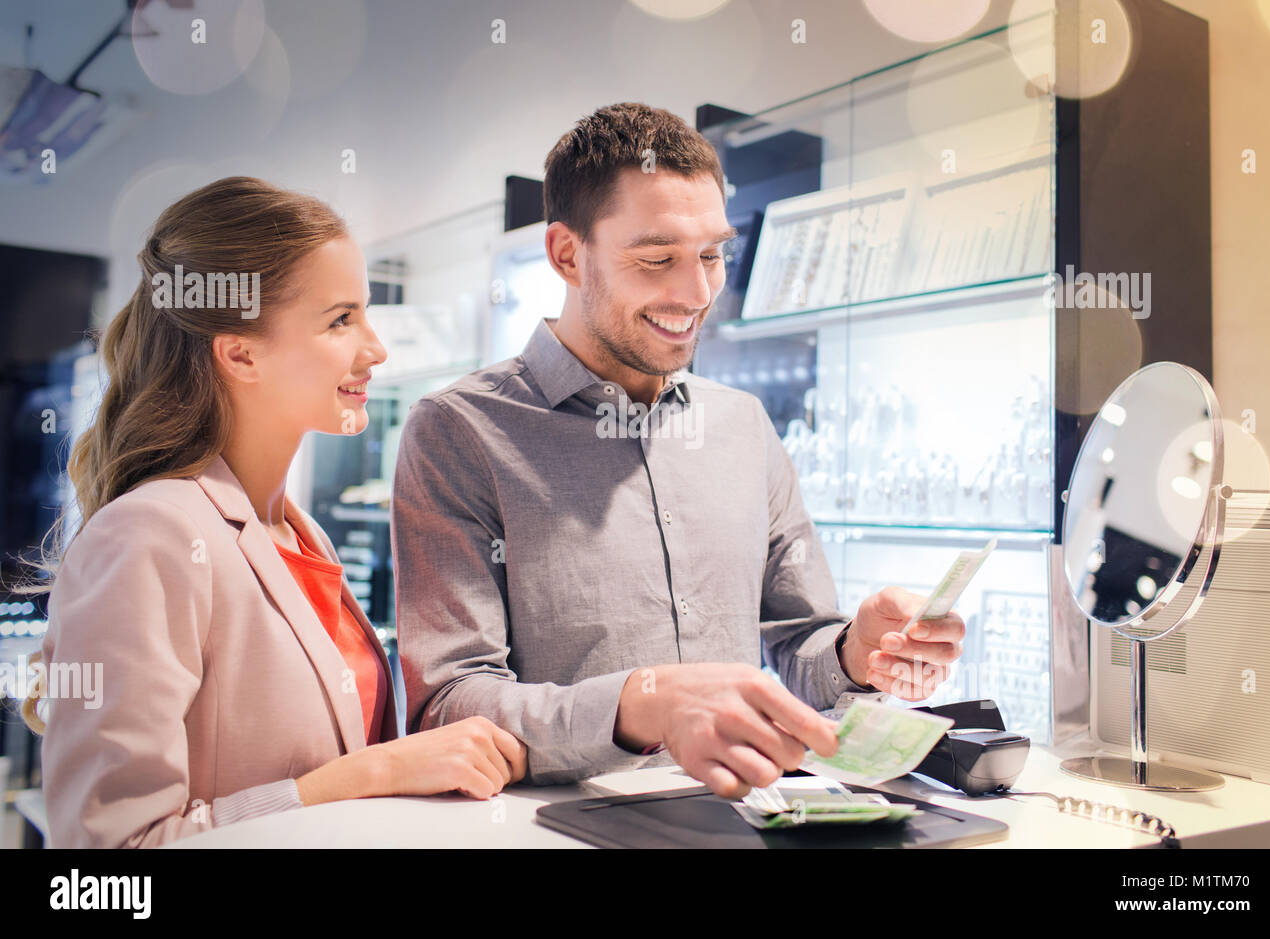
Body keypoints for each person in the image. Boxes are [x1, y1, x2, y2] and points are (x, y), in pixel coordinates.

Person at [392, 103, 965, 799]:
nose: (696, 294)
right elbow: (449, 704)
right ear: (568, 255)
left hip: (747, 820)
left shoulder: (742, 424)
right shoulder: (459, 431)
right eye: (657, 258)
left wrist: (855, 651)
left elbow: (800, 645)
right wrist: (644, 703)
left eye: (711, 255)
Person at [25, 176, 525, 848]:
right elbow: (111, 853)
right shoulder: (148, 536)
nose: (375, 349)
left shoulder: (299, 533)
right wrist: (371, 774)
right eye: (341, 320)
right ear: (241, 353)